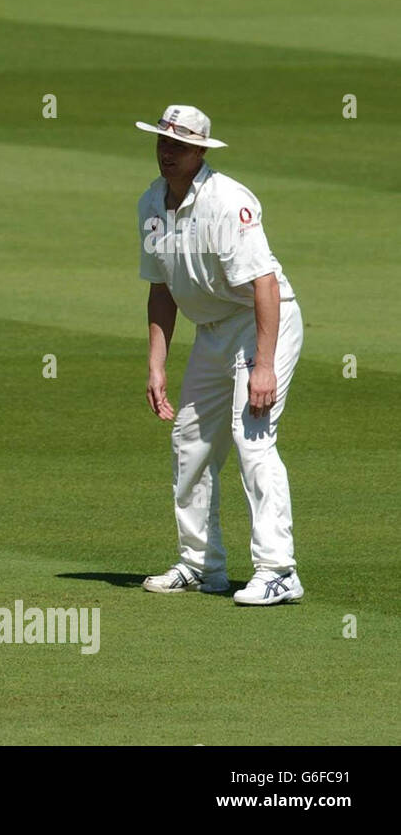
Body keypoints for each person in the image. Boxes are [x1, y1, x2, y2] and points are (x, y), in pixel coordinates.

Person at [135, 106, 304, 605]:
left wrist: (265, 365)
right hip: (211, 331)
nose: (168, 150)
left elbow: (265, 284)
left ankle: (279, 570)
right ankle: (200, 563)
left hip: (261, 322)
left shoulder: (229, 201)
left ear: (201, 152)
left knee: (252, 438)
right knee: (190, 438)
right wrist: (156, 363)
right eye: (163, 141)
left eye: (179, 145)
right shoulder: (150, 202)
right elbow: (161, 287)